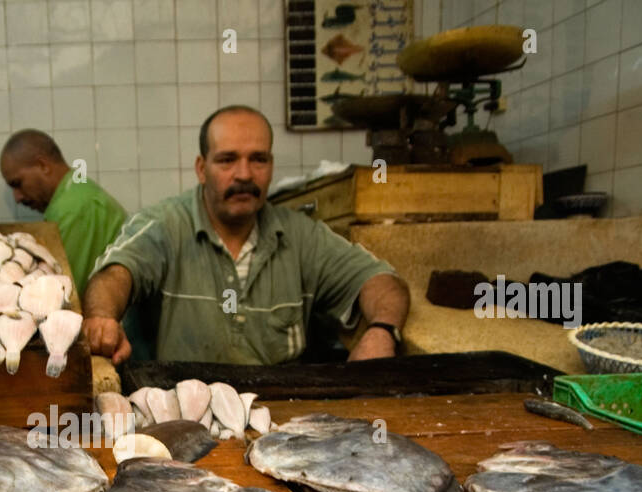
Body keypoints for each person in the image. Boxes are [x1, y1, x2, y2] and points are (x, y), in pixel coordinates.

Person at [82, 105, 409, 364]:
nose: (244, 174)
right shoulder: (166, 224)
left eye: (258, 159)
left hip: (280, 422)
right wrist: (102, 317)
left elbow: (380, 279)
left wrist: (382, 331)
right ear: (201, 168)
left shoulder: (300, 235)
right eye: (227, 160)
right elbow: (116, 272)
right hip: (185, 415)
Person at [0, 129, 128, 290]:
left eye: (17, 183)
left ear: (42, 165)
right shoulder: (74, 193)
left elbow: (66, 290)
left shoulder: (74, 208)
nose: (17, 198)